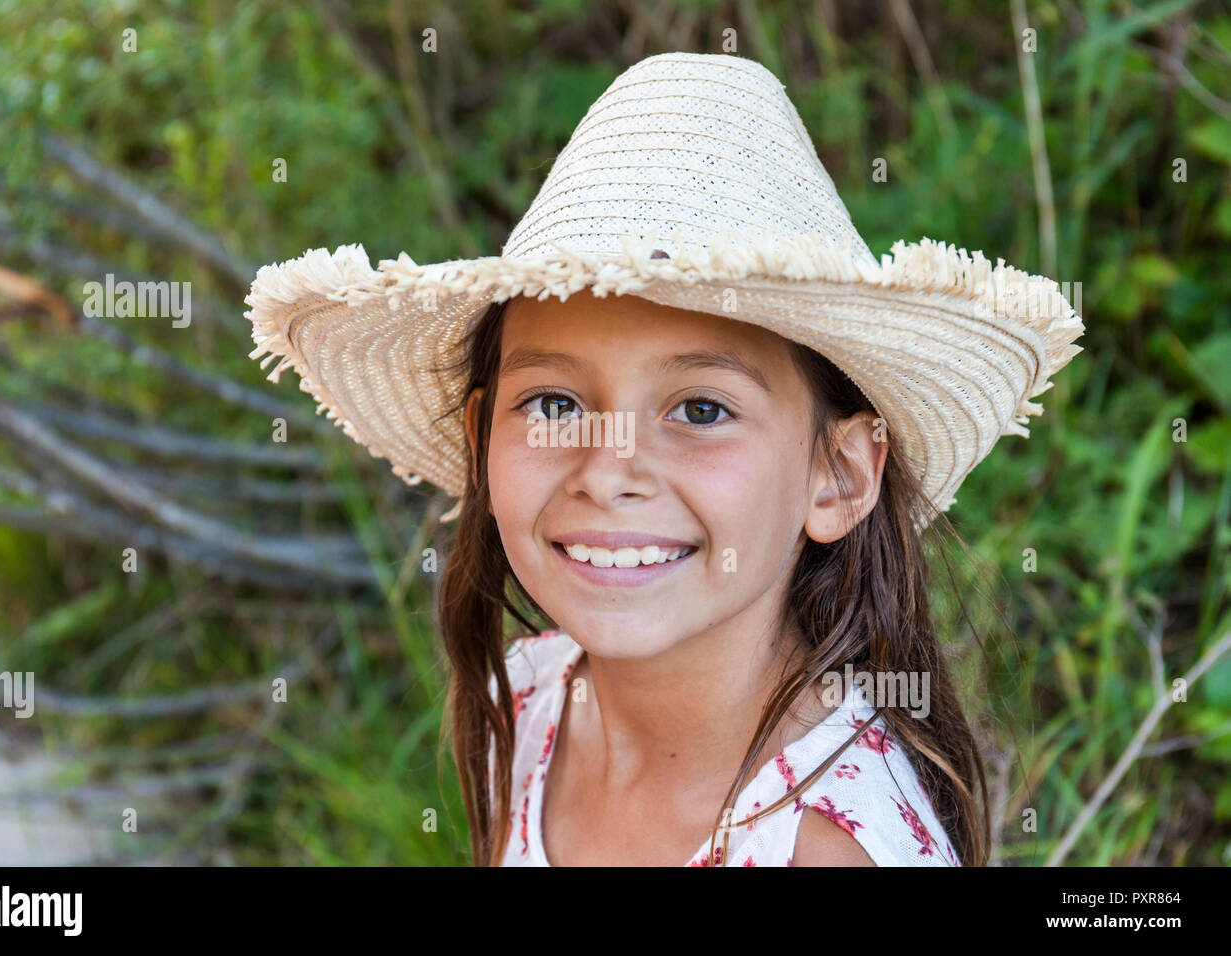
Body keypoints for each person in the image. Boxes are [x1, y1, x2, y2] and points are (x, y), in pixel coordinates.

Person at [244, 52, 1085, 866]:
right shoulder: (531, 704)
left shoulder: (827, 843)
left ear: (840, 475)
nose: (608, 471)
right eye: (555, 405)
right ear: (479, 442)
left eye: (702, 410)